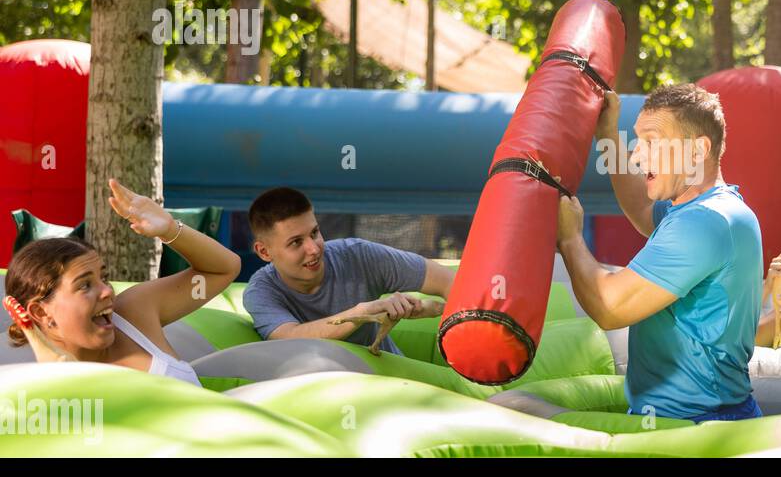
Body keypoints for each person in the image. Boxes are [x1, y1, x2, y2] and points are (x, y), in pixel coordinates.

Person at [556, 83, 764, 422]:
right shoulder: (706, 208)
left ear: (698, 151)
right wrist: (607, 134)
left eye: (651, 142)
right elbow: (641, 207)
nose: (638, 156)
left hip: (694, 427)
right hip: (698, 414)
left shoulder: (704, 223)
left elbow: (610, 307)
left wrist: (569, 239)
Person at [3, 179, 241, 386]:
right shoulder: (30, 386)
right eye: (84, 285)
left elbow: (220, 271)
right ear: (40, 312)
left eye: (103, 277)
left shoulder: (134, 313)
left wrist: (169, 229)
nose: (107, 291)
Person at [242, 187, 455, 356]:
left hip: (394, 381)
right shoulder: (261, 291)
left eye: (315, 232)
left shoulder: (357, 255)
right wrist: (362, 312)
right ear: (264, 252)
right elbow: (289, 339)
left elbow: (447, 280)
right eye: (296, 242)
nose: (314, 248)